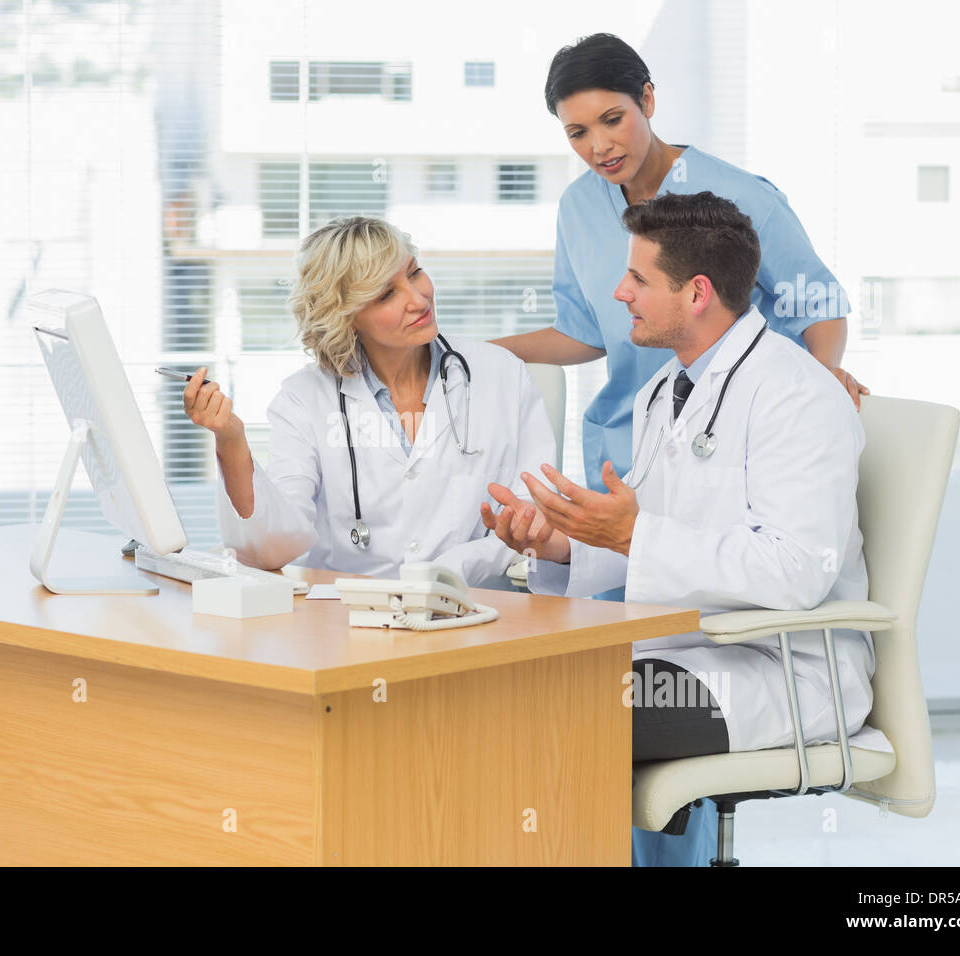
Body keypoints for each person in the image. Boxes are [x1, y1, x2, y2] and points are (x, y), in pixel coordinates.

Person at [483, 192, 885, 861]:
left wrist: (632, 536)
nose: (619, 292)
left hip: (784, 673)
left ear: (697, 293)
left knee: (544, 718)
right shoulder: (665, 391)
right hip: (695, 655)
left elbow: (794, 573)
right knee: (490, 694)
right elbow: (643, 536)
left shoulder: (797, 395)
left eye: (638, 278)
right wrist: (559, 541)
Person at [493, 32, 869, 491]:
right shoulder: (577, 207)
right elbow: (584, 333)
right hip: (626, 448)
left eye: (613, 120)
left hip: (728, 440)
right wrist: (473, 352)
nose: (599, 146)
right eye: (578, 133)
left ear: (647, 100)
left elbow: (820, 304)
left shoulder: (743, 197)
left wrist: (823, 381)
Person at [182, 215, 556, 586]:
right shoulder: (304, 399)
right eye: (386, 294)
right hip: (345, 619)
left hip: (476, 609)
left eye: (414, 272)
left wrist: (455, 567)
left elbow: (536, 514)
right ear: (347, 316)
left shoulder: (501, 374)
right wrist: (230, 440)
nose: (418, 298)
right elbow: (273, 547)